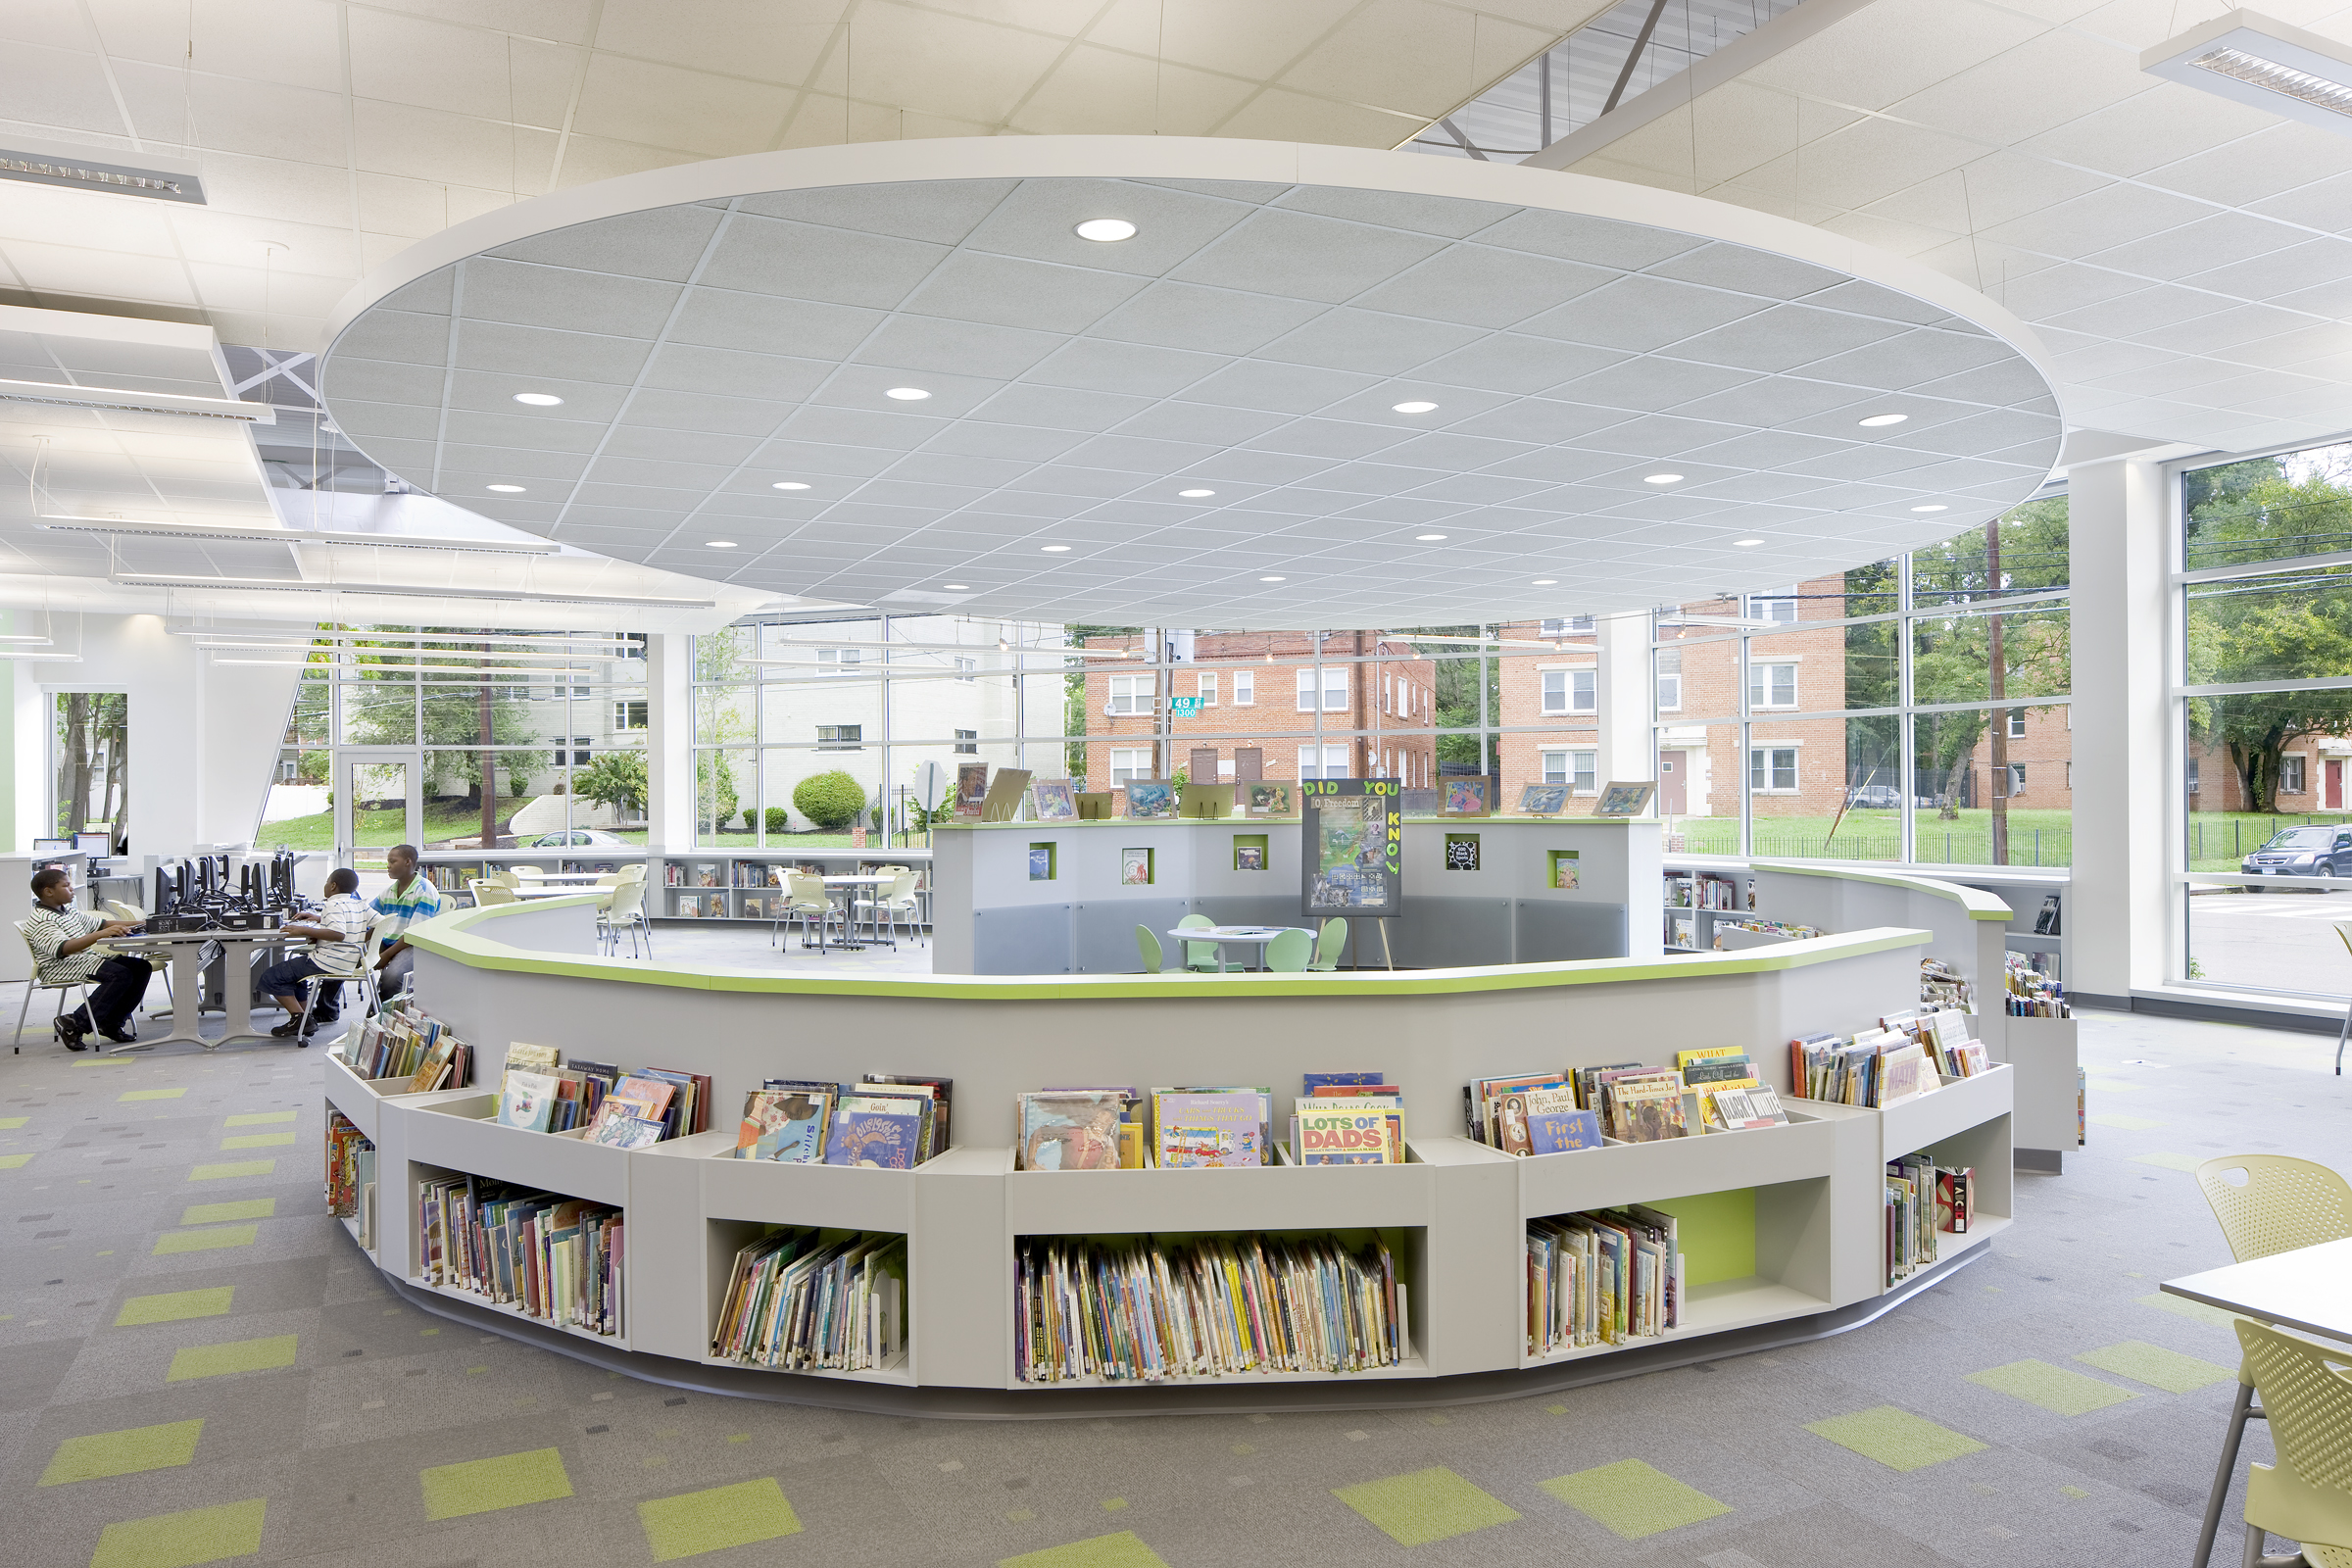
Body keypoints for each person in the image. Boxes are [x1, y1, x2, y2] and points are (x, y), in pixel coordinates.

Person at [24, 867, 149, 1051]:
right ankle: (74, 1023)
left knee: (141, 967)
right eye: (66, 885)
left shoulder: (67, 912)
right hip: (58, 965)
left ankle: (110, 1023)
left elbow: (103, 924)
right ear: (49, 891)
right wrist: (101, 935)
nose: (72, 888)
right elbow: (63, 949)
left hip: (83, 960)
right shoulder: (42, 919)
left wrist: (146, 923)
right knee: (120, 975)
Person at [257, 868, 370, 1044]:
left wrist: (302, 929)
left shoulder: (332, 904)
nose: (325, 885)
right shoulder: (359, 903)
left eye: (327, 881)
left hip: (327, 962)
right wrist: (321, 920)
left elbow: (338, 933)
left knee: (272, 977)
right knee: (294, 975)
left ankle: (300, 1019)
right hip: (347, 960)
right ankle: (304, 1019)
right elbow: (380, 921)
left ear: (333, 886)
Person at [368, 844, 442, 1004]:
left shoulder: (424, 890)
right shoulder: (390, 890)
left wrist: (385, 956)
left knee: (392, 977)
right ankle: (327, 1008)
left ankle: (386, 1016)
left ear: (408, 862)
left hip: (416, 945)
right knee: (342, 955)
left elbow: (413, 936)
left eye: (392, 861)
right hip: (391, 941)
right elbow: (368, 915)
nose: (388, 866)